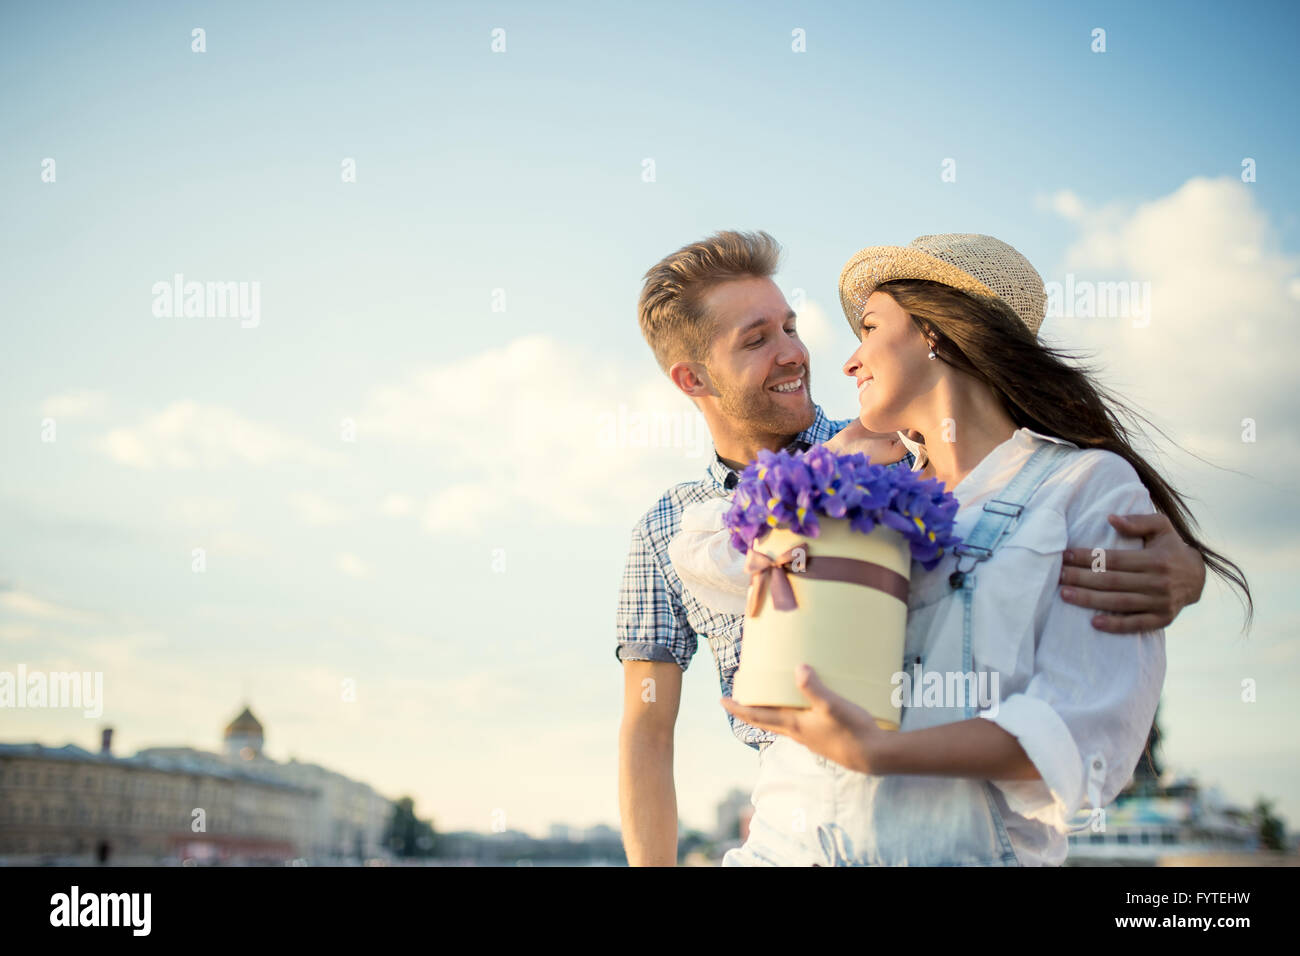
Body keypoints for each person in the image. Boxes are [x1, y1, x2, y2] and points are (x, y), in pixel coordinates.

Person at [616, 230, 1212, 867]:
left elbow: (1081, 713)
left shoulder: (902, 458)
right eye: (758, 339)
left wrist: (1188, 567)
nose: (802, 354)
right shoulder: (691, 521)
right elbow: (648, 727)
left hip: (935, 824)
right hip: (790, 828)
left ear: (934, 333)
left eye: (791, 327)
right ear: (692, 378)